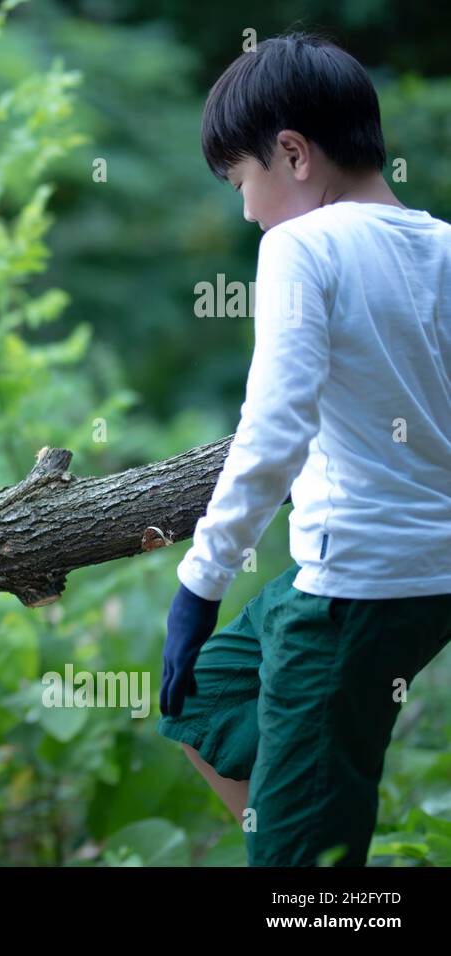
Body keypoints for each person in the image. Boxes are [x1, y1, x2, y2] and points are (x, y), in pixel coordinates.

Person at [156, 34, 451, 866]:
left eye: (242, 182)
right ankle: (317, 803)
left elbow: (275, 425)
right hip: (409, 575)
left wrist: (200, 581)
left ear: (291, 153)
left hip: (356, 583)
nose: (246, 210)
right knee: (209, 696)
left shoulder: (299, 247)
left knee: (301, 874)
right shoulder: (444, 246)